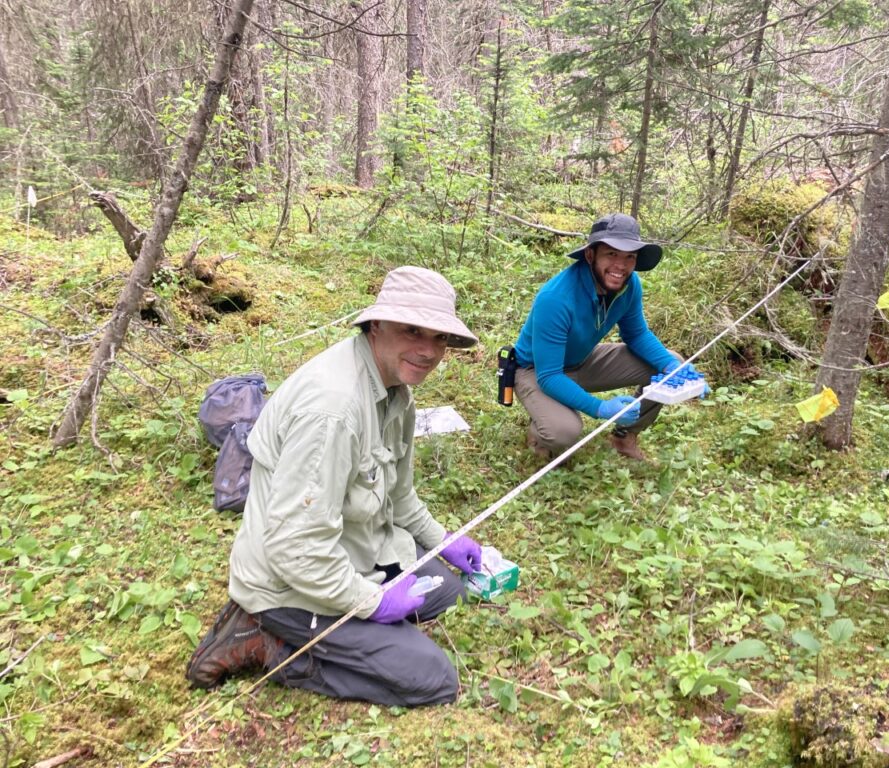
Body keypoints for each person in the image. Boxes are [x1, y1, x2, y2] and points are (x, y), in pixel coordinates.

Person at [185, 266, 483, 707]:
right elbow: (295, 548)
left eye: (439, 337)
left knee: (447, 593)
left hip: (353, 545)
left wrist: (443, 541)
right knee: (432, 679)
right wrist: (371, 602)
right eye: (413, 330)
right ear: (377, 324)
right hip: (291, 582)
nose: (427, 350)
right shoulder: (333, 410)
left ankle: (354, 608)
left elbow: (399, 495)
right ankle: (264, 640)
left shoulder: (394, 388)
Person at [513, 213, 686, 462]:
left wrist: (672, 367)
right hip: (535, 370)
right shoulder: (556, 298)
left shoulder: (629, 284)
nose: (621, 265)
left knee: (668, 362)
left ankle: (624, 437)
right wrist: (600, 408)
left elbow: (636, 334)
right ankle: (540, 431)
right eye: (611, 254)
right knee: (563, 431)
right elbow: (549, 375)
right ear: (590, 255)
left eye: (630, 257)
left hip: (582, 360)